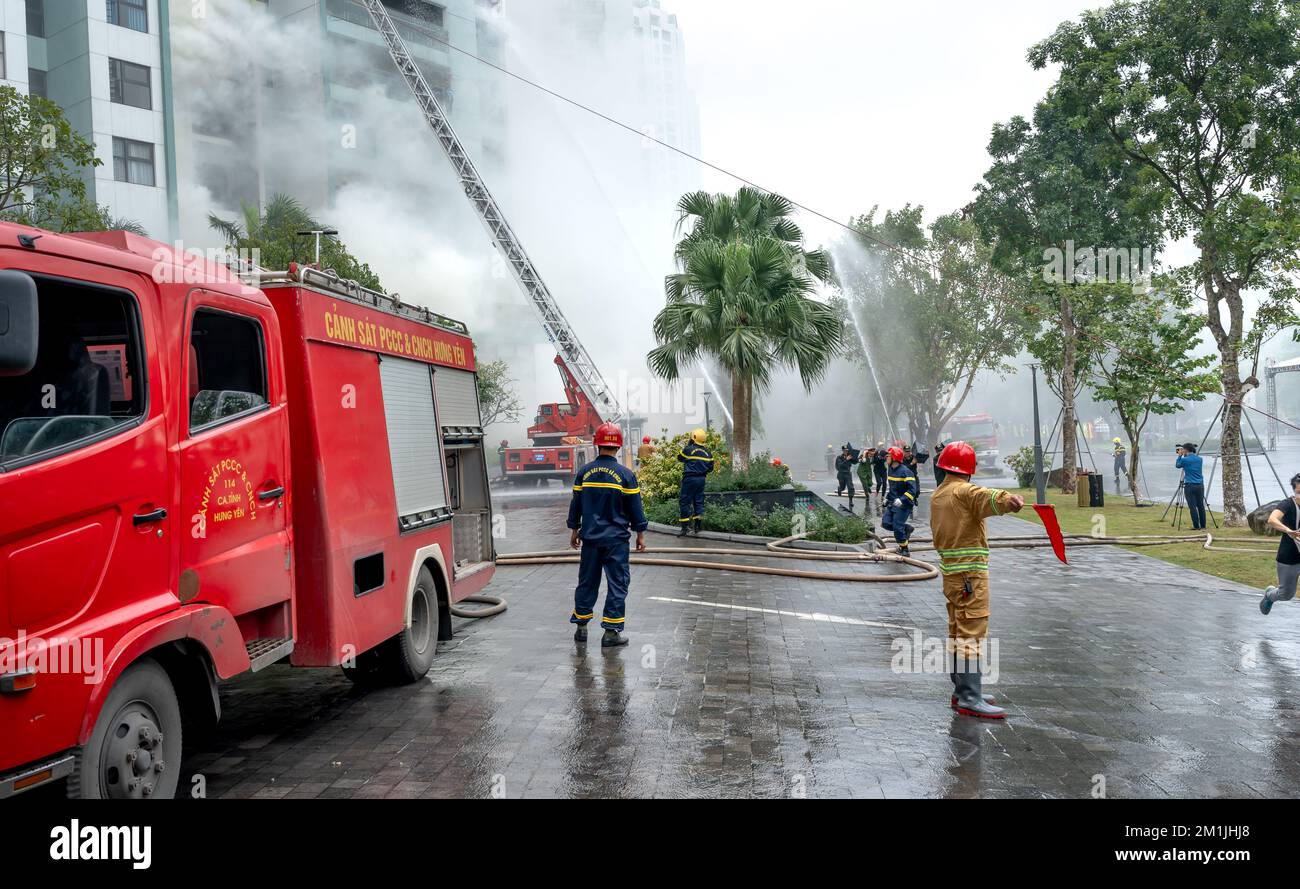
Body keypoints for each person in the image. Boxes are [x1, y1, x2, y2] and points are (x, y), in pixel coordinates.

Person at [929, 441, 1025, 719]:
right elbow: (985, 497)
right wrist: (1010, 501)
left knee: (958, 630)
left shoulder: (939, 494)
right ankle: (971, 697)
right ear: (969, 470)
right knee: (972, 631)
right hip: (970, 575)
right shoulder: (963, 491)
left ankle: (962, 691)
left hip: (953, 577)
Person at [567, 422, 648, 647]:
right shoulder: (625, 475)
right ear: (618, 447)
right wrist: (640, 534)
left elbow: (576, 505)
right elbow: (635, 508)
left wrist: (574, 530)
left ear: (597, 443)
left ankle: (581, 628)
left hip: (591, 539)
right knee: (617, 583)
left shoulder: (584, 473)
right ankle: (611, 633)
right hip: (616, 541)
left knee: (587, 582)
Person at [1260, 474, 1300, 616]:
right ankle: (1270, 595)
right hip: (1289, 556)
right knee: (1286, 594)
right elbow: (1272, 519)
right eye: (1299, 492)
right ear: (1294, 491)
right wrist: (1288, 530)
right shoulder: (1287, 504)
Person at [677, 427, 715, 536]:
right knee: (698, 501)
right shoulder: (708, 453)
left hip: (689, 479)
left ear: (693, 438)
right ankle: (697, 527)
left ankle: (684, 528)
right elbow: (710, 468)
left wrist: (688, 445)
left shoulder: (689, 450)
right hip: (701, 479)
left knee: (685, 502)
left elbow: (679, 458)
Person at [881, 446, 917, 555]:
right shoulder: (890, 470)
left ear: (894, 458)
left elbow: (913, 490)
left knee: (897, 527)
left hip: (904, 505)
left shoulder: (906, 472)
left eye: (888, 456)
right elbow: (892, 488)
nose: (886, 458)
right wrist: (887, 499)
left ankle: (904, 549)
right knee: (886, 523)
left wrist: (902, 500)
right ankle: (906, 529)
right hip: (893, 503)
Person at [1175, 442, 1206, 530]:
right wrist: (1184, 455)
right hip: (1200, 485)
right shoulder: (1199, 459)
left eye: (1182, 449)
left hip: (1190, 486)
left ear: (1185, 450)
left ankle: (1196, 526)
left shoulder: (1184, 460)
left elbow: (1178, 465)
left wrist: (1180, 456)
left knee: (1192, 507)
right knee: (1201, 506)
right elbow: (1191, 461)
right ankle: (1203, 525)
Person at [835, 443, 859, 511]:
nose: (846, 451)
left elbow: (855, 462)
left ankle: (850, 501)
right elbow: (840, 466)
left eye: (847, 450)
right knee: (842, 488)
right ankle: (840, 489)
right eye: (845, 450)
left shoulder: (849, 456)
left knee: (850, 487)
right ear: (842, 451)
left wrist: (856, 458)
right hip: (841, 474)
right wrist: (846, 460)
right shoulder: (839, 457)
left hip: (848, 474)